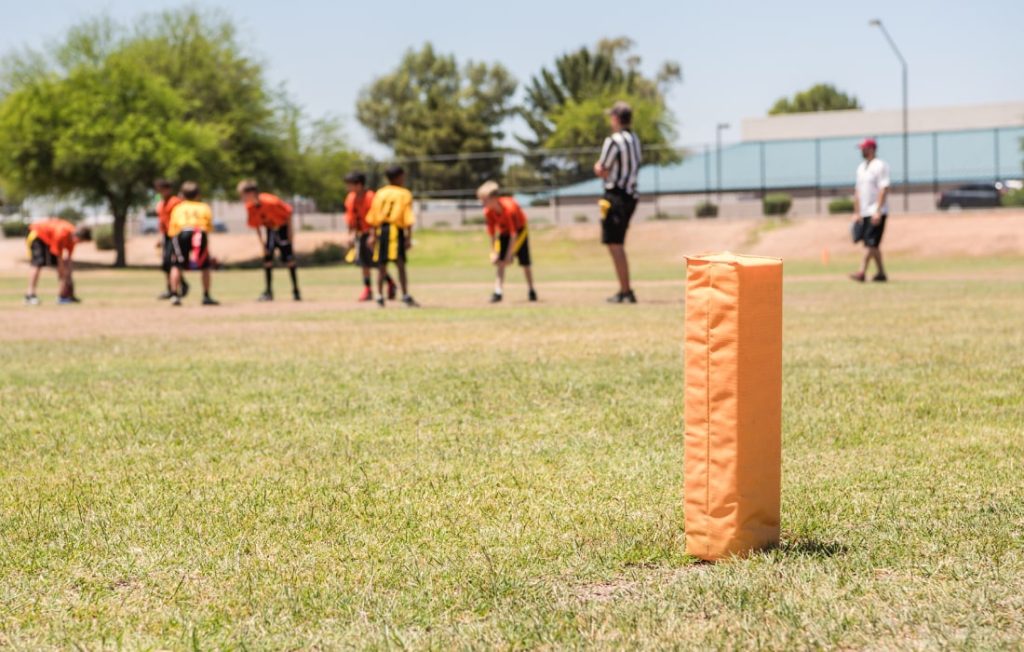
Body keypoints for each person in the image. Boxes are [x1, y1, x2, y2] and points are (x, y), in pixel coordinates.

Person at [593, 100, 642, 303]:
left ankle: (626, 290)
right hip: (631, 195)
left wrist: (597, 167)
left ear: (615, 118)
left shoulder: (613, 141)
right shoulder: (635, 140)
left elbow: (602, 169)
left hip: (616, 195)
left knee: (615, 244)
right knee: (617, 243)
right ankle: (624, 289)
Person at [238, 179, 301, 301]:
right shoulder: (250, 207)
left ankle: (296, 291)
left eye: (243, 194)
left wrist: (290, 235)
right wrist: (262, 245)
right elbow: (256, 225)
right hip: (270, 231)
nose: (242, 197)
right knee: (267, 260)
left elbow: (288, 214)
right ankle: (268, 292)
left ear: (251, 192)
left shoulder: (271, 201)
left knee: (289, 260)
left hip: (282, 229)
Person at [365, 165, 419, 308]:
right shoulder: (404, 193)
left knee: (382, 265)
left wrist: (372, 235)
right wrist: (408, 237)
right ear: (398, 177)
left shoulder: (380, 193)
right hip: (396, 230)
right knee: (400, 264)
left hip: (382, 230)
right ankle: (405, 295)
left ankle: (379, 296)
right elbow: (408, 217)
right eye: (403, 176)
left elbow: (373, 216)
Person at [476, 180, 537, 303]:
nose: (482, 203)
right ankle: (498, 292)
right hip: (505, 232)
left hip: (520, 231)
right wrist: (494, 252)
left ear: (494, 198)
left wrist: (510, 254)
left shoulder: (509, 208)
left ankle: (531, 290)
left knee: (525, 263)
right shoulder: (488, 212)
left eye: (484, 200)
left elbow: (514, 234)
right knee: (500, 262)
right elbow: (492, 234)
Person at [344, 171, 396, 302]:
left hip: (374, 233)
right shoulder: (351, 198)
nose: (348, 188)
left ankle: (390, 283)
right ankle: (367, 289)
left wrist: (373, 235)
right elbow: (350, 218)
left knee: (378, 263)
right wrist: (350, 235)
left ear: (359, 185)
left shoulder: (371, 197)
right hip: (361, 233)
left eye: (350, 185)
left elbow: (375, 217)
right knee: (363, 263)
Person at [167, 181, 219, 306]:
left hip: (182, 232)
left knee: (177, 264)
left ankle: (174, 295)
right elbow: (208, 226)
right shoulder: (204, 207)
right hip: (199, 233)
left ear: (183, 195)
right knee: (205, 265)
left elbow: (172, 228)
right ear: (198, 195)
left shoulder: (178, 207)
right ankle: (206, 295)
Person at [850, 138, 891, 282]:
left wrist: (878, 210)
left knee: (870, 243)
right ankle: (881, 273)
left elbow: (883, 188)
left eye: (864, 148)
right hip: (864, 211)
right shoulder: (861, 167)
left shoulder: (880, 165)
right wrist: (856, 212)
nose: (862, 151)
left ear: (872, 149)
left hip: (876, 212)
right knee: (873, 244)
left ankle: (861, 272)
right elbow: (857, 191)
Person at [24, 218, 91, 305]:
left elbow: (69, 261)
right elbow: (59, 261)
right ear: (77, 237)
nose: (79, 244)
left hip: (48, 239)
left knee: (65, 269)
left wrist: (69, 279)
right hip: (36, 234)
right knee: (38, 263)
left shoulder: (72, 239)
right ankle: (30, 295)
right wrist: (63, 277)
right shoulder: (61, 234)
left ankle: (66, 295)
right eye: (81, 241)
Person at [154, 179, 187, 300]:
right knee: (166, 263)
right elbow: (162, 223)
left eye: (162, 189)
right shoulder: (160, 204)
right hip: (167, 235)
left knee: (173, 262)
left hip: (176, 235)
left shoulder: (176, 202)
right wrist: (160, 237)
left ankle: (176, 288)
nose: (161, 192)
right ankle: (173, 287)